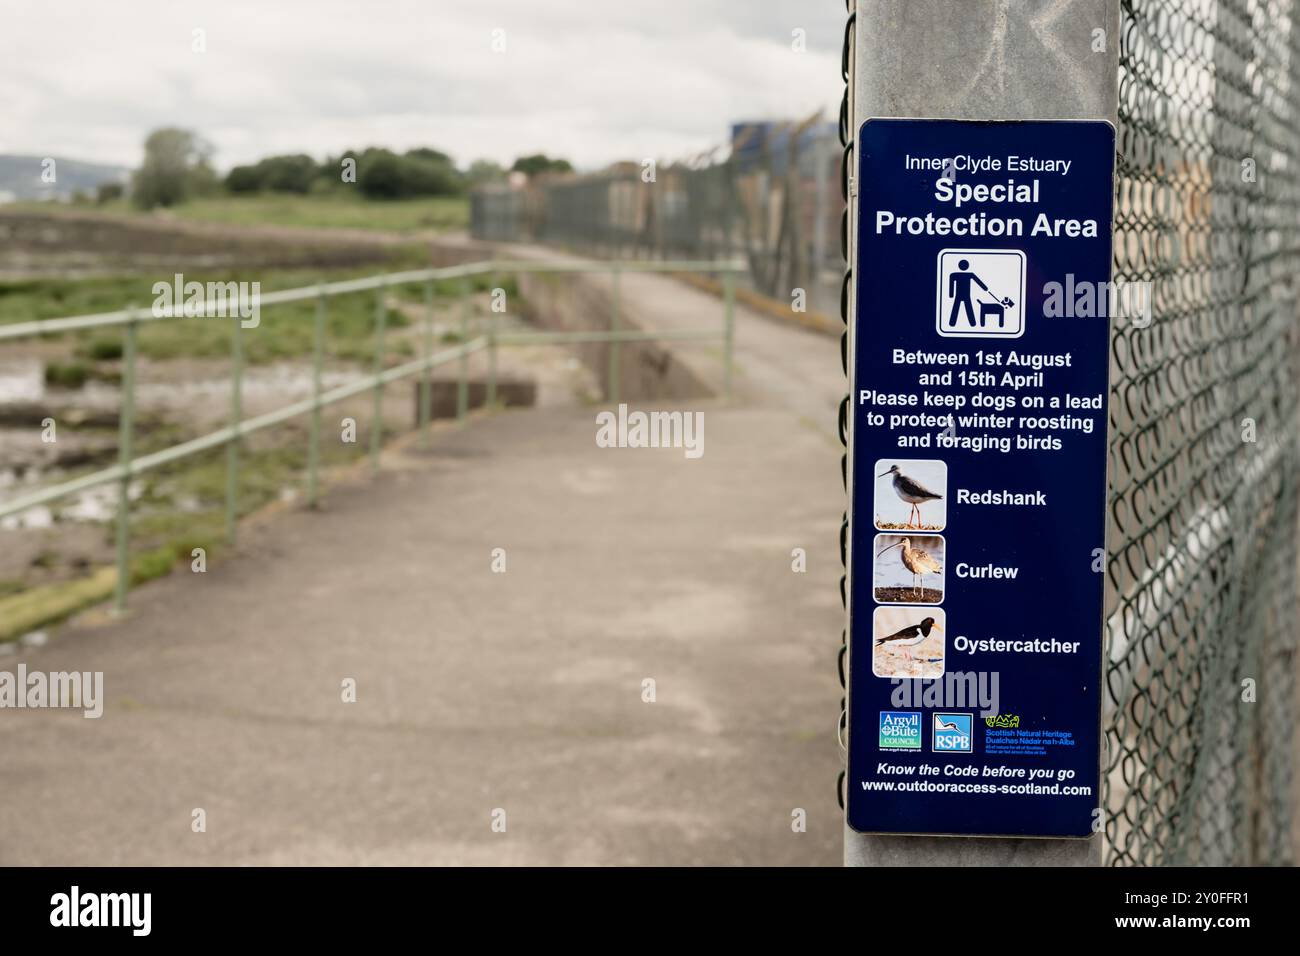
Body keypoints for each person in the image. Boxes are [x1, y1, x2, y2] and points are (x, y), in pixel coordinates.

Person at [947, 259, 990, 328]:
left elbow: (978, 281)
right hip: (962, 295)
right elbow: (978, 282)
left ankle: (955, 323)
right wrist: (985, 288)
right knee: (962, 307)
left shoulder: (956, 274)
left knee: (963, 307)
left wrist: (985, 288)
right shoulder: (965, 275)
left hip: (962, 295)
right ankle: (970, 323)